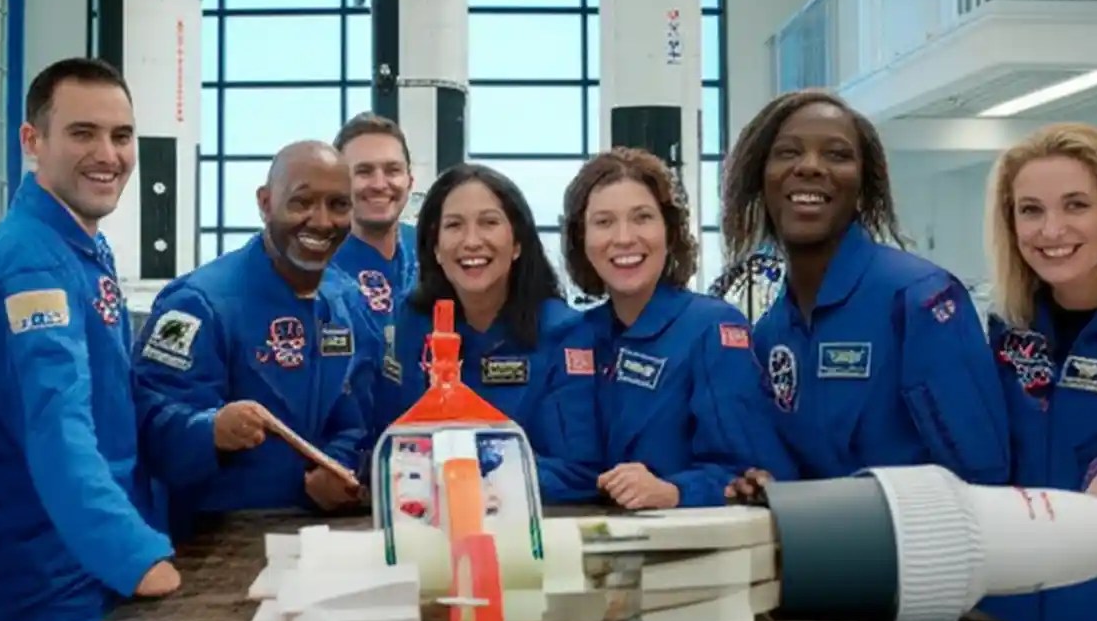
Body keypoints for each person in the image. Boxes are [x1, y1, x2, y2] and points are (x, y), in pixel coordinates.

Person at [0, 58, 180, 621]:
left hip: (91, 558)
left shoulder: (79, 248)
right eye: (83, 133)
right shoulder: (31, 262)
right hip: (58, 576)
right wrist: (132, 555)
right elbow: (57, 429)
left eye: (121, 135)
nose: (108, 154)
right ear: (32, 141)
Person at [718, 89, 1009, 486]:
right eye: (788, 152)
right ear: (760, 178)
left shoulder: (920, 300)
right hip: (818, 545)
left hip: (919, 544)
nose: (810, 166)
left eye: (837, 154)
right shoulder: (771, 335)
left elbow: (981, 474)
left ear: (863, 186)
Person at [132, 140, 372, 521]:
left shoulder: (345, 303)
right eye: (302, 202)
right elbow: (152, 425)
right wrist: (211, 430)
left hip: (316, 531)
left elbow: (355, 416)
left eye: (338, 205)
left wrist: (332, 469)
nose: (323, 221)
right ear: (265, 203)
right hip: (212, 537)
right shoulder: (197, 304)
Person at [562, 148, 797, 510]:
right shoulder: (575, 336)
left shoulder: (711, 330)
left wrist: (672, 491)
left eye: (642, 218)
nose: (623, 238)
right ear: (582, 239)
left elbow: (750, 473)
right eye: (604, 222)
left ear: (670, 232)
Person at [377, 163, 603, 503]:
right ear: (435, 247)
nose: (471, 241)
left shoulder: (565, 334)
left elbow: (581, 472)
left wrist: (472, 478)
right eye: (454, 225)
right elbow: (393, 444)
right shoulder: (411, 325)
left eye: (489, 223)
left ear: (517, 244)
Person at [977, 123, 1097, 621]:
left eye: (1076, 205)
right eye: (1030, 209)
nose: (1051, 230)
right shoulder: (1004, 331)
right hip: (1011, 611)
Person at [329, 112, 418, 324]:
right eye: (364, 171)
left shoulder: (432, 250)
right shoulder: (316, 261)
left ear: (409, 181)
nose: (379, 184)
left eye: (392, 170)